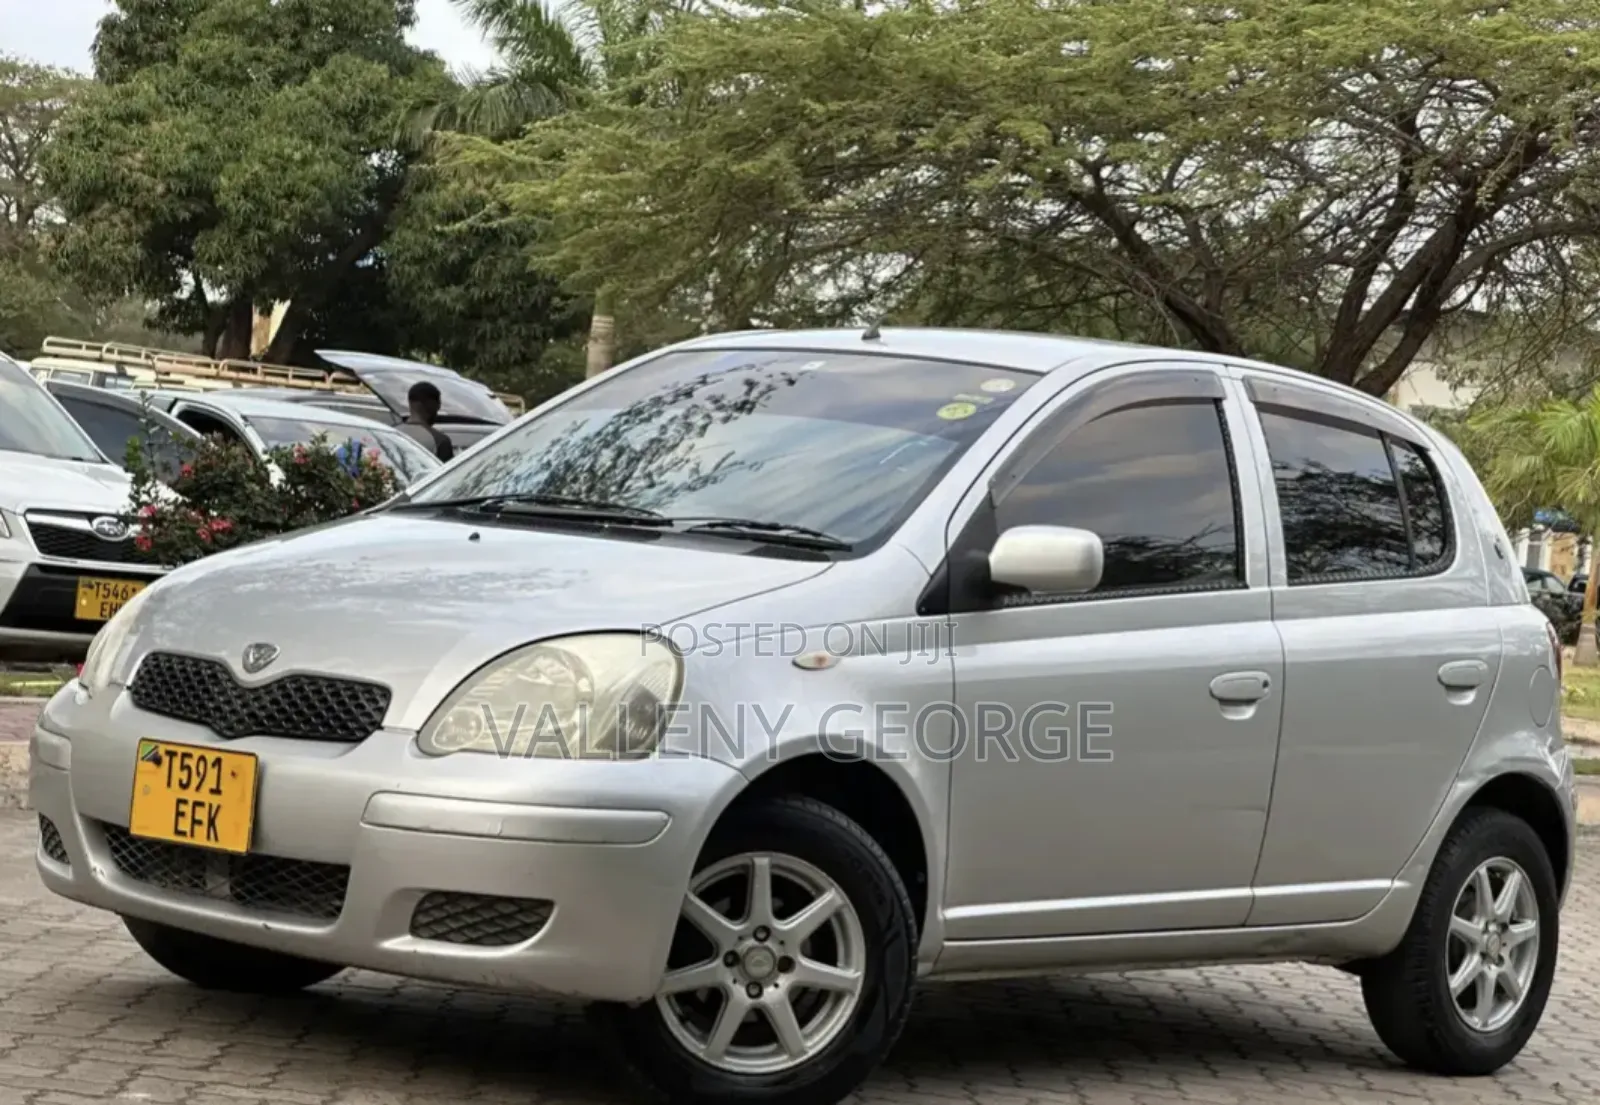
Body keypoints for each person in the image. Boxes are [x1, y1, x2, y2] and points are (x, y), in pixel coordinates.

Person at [399, 381, 455, 461]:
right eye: (438, 405)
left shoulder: (391, 433)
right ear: (431, 404)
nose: (438, 409)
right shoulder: (439, 441)